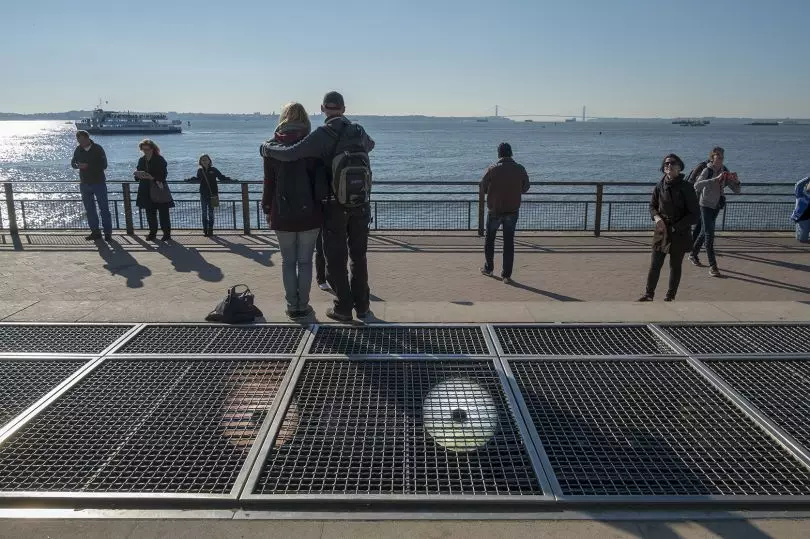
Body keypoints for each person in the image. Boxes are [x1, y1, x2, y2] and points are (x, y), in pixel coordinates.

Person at [261, 91, 375, 322]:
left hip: (334, 206)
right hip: (360, 203)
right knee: (359, 256)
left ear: (323, 109)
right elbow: (370, 146)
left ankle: (343, 308)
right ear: (343, 108)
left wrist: (266, 149)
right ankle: (363, 306)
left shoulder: (323, 133)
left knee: (335, 258)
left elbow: (291, 154)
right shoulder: (358, 131)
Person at [261, 102, 324, 319]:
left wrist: (267, 208)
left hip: (281, 211)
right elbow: (319, 182)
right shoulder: (312, 144)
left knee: (288, 262)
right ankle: (303, 305)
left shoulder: (271, 146)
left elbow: (268, 183)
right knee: (305, 261)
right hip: (310, 213)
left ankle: (291, 306)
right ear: (305, 120)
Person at [638, 154, 699, 302]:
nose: (669, 166)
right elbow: (652, 206)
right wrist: (657, 218)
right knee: (655, 265)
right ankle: (648, 295)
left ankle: (670, 297)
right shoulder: (660, 185)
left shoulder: (686, 187)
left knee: (675, 266)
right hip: (661, 231)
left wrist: (676, 227)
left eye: (672, 163)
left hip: (679, 233)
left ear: (679, 167)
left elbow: (695, 215)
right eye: (666, 164)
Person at [478, 142, 530, 284]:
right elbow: (526, 187)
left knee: (490, 240)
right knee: (509, 243)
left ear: (499, 154)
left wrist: (492, 192)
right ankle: (506, 275)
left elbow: (483, 186)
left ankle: (489, 268)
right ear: (511, 153)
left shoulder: (492, 169)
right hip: (512, 211)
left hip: (495, 210)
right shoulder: (520, 168)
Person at [688, 147, 741, 276]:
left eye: (722, 157)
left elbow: (737, 191)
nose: (720, 159)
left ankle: (693, 254)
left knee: (703, 232)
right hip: (705, 205)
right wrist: (715, 179)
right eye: (717, 156)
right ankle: (713, 266)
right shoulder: (707, 170)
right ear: (712, 158)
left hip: (716, 206)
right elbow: (696, 185)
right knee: (709, 235)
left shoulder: (725, 171)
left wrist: (736, 181)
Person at [71, 130, 112, 241]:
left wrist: (88, 166)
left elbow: (104, 165)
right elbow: (73, 163)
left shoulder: (98, 149)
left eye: (82, 140)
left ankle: (107, 232)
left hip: (98, 183)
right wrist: (77, 165)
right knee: (90, 210)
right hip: (84, 183)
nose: (80, 142)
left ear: (87, 138)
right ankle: (95, 232)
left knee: (104, 209)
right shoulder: (78, 149)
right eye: (78, 140)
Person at [184, 154, 237, 236]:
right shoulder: (200, 171)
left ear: (209, 161)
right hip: (203, 194)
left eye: (206, 159)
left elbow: (221, 177)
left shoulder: (214, 170)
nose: (205, 161)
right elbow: (198, 178)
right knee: (204, 213)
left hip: (213, 194)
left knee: (211, 213)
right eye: (203, 160)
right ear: (200, 162)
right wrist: (188, 180)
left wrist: (231, 180)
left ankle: (210, 230)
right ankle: (205, 230)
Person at [134, 139, 173, 241]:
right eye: (144, 149)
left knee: (163, 213)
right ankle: (152, 233)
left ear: (153, 148)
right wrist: (137, 174)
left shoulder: (160, 159)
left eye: (148, 149)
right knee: (150, 213)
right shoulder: (141, 160)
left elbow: (164, 175)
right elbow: (137, 174)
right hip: (145, 189)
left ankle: (166, 234)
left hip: (158, 188)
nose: (146, 151)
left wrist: (152, 177)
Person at [792, 176, 810, 243]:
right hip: (802, 218)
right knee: (803, 238)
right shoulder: (800, 194)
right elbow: (798, 185)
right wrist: (808, 178)